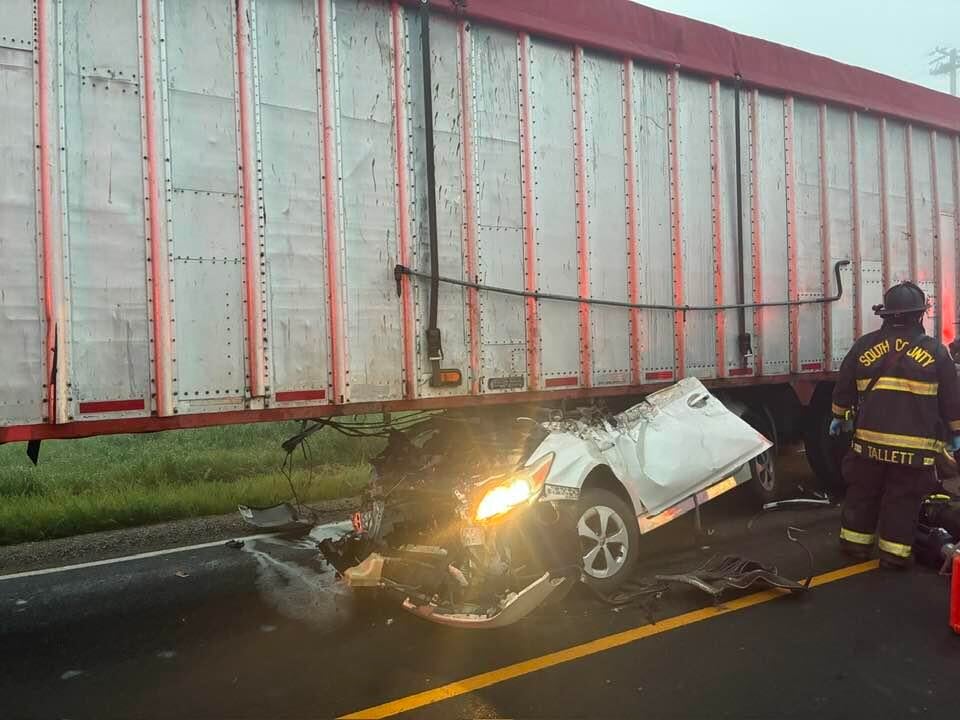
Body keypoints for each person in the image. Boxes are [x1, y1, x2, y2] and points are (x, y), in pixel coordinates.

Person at [830, 281, 960, 569]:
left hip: (868, 444)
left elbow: (844, 387)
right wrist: (956, 433)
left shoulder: (864, 346)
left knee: (863, 493)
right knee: (902, 500)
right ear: (919, 315)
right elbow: (951, 399)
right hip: (912, 451)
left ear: (886, 314)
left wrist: (838, 416)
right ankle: (892, 555)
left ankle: (854, 544)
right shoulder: (936, 352)